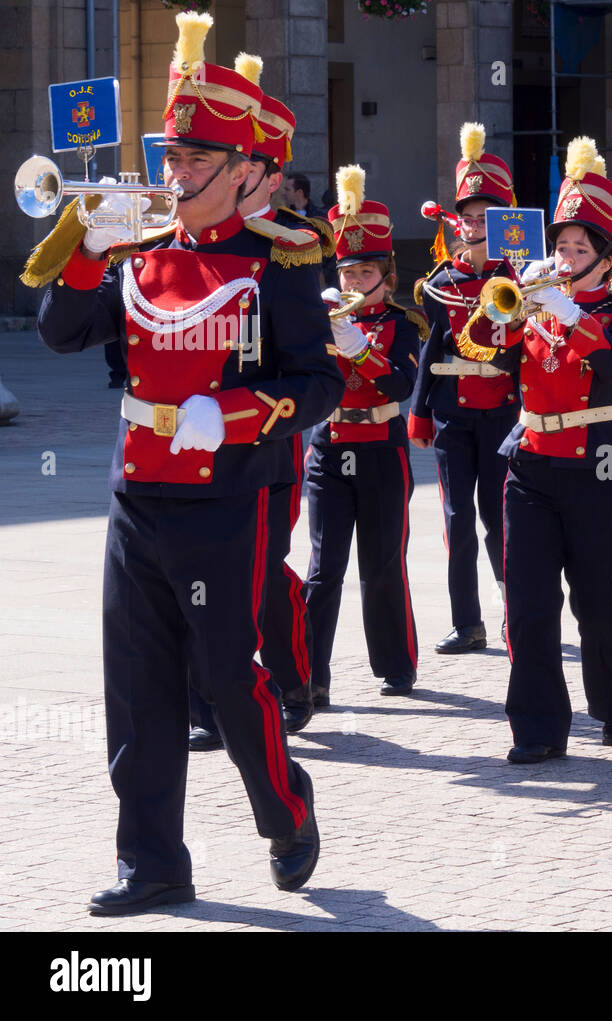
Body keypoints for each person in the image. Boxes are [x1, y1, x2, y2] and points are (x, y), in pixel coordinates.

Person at [36, 11, 340, 913]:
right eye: (170, 159)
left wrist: (238, 410)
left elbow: (319, 383)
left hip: (225, 497)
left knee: (226, 677)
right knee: (134, 686)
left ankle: (286, 813)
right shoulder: (136, 251)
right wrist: (87, 251)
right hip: (138, 494)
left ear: (248, 170)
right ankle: (154, 860)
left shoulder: (280, 260)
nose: (173, 177)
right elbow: (57, 334)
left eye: (193, 162)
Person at [458, 137, 612, 762]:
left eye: (579, 248)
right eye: (560, 246)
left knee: (598, 602)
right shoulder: (532, 304)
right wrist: (508, 296)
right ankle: (536, 728)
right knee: (528, 606)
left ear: (604, 256)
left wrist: (571, 313)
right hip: (531, 467)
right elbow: (479, 343)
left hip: (598, 466)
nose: (565, 257)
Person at [188, 52, 330, 750]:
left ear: (265, 175)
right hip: (184, 450)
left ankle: (291, 678)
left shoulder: (289, 249)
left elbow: (309, 373)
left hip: (264, 448)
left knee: (259, 573)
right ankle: (205, 699)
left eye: (256, 171)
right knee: (192, 576)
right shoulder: (181, 240)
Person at [303, 166, 423, 705]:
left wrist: (360, 348)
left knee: (381, 565)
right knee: (323, 569)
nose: (353, 282)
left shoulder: (402, 323)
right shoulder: (320, 318)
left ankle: (395, 665)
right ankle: (311, 676)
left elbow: (401, 383)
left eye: (366, 272)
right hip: (330, 448)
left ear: (387, 276)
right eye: (347, 272)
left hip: (381, 448)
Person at [409, 123, 520, 652]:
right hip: (454, 412)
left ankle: (514, 612)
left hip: (504, 411)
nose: (474, 226)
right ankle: (467, 621)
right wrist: (419, 410)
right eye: (468, 217)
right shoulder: (442, 281)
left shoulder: (524, 279)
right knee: (456, 521)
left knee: (501, 520)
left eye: (486, 218)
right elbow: (433, 345)